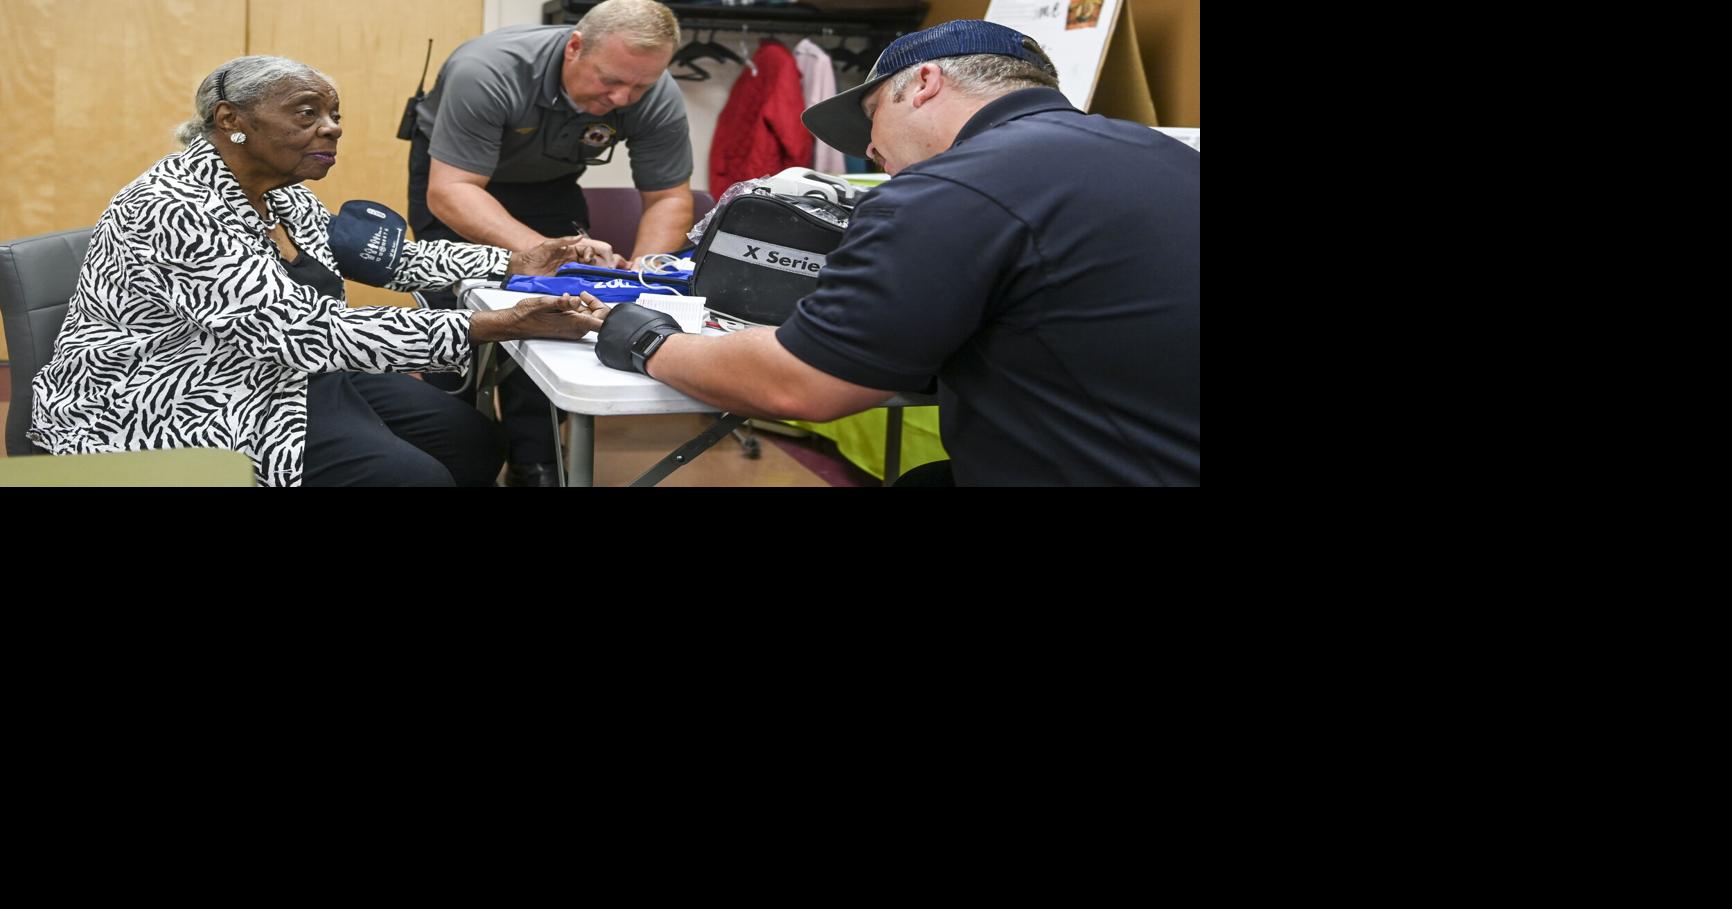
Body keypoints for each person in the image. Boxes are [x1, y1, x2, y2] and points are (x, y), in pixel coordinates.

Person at [587, 20, 1201, 485]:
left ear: (926, 83)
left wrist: (650, 341)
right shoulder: (1169, 155)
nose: (874, 153)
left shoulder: (950, 186)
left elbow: (803, 387)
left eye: (872, 118)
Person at [27, 55, 610, 487]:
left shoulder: (282, 194)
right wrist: (496, 323)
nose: (332, 128)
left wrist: (516, 260)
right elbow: (303, 333)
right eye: (308, 113)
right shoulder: (176, 206)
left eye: (334, 114)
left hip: (275, 371)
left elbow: (394, 260)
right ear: (232, 119)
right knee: (412, 478)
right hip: (173, 394)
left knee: (475, 440)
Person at [409, 0, 696, 486]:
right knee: (458, 314)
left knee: (560, 310)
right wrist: (543, 251)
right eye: (610, 81)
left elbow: (668, 196)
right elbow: (452, 191)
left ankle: (537, 460)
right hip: (459, 181)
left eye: (640, 86)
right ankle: (451, 456)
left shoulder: (650, 87)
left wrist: (643, 270)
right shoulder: (487, 70)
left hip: (549, 184)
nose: (625, 98)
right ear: (575, 47)